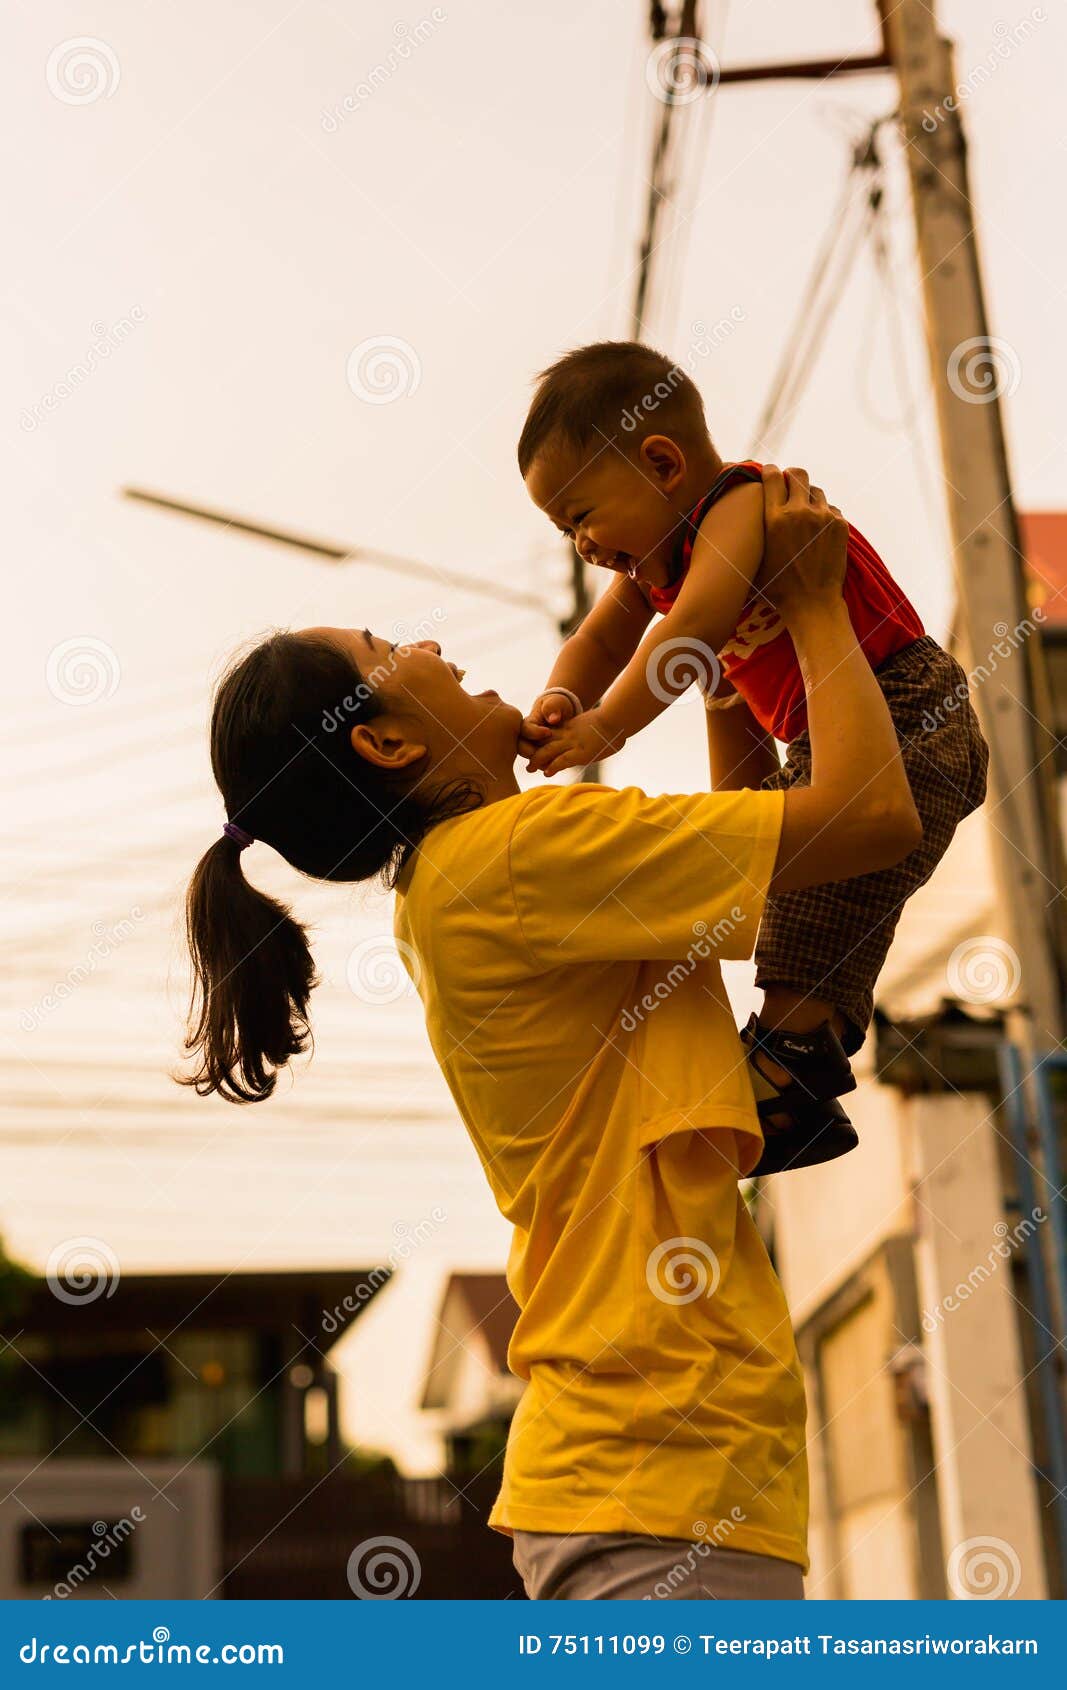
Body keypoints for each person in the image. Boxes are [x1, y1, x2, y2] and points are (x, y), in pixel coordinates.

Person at [181, 466, 920, 1600]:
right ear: (382, 743)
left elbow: (772, 902)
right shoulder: (520, 859)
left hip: (655, 1471)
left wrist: (724, 669)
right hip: (652, 1476)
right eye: (390, 647)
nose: (426, 645)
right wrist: (815, 603)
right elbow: (872, 817)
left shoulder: (478, 881)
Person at [517, 341, 989, 1174]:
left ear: (661, 463)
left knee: (816, 888)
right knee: (792, 872)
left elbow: (690, 629)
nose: (582, 546)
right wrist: (563, 697)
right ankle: (806, 1069)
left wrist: (608, 729)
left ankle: (787, 1056)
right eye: (564, 531)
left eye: (581, 516)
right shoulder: (649, 569)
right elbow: (596, 642)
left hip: (908, 707)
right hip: (832, 740)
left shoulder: (739, 505)